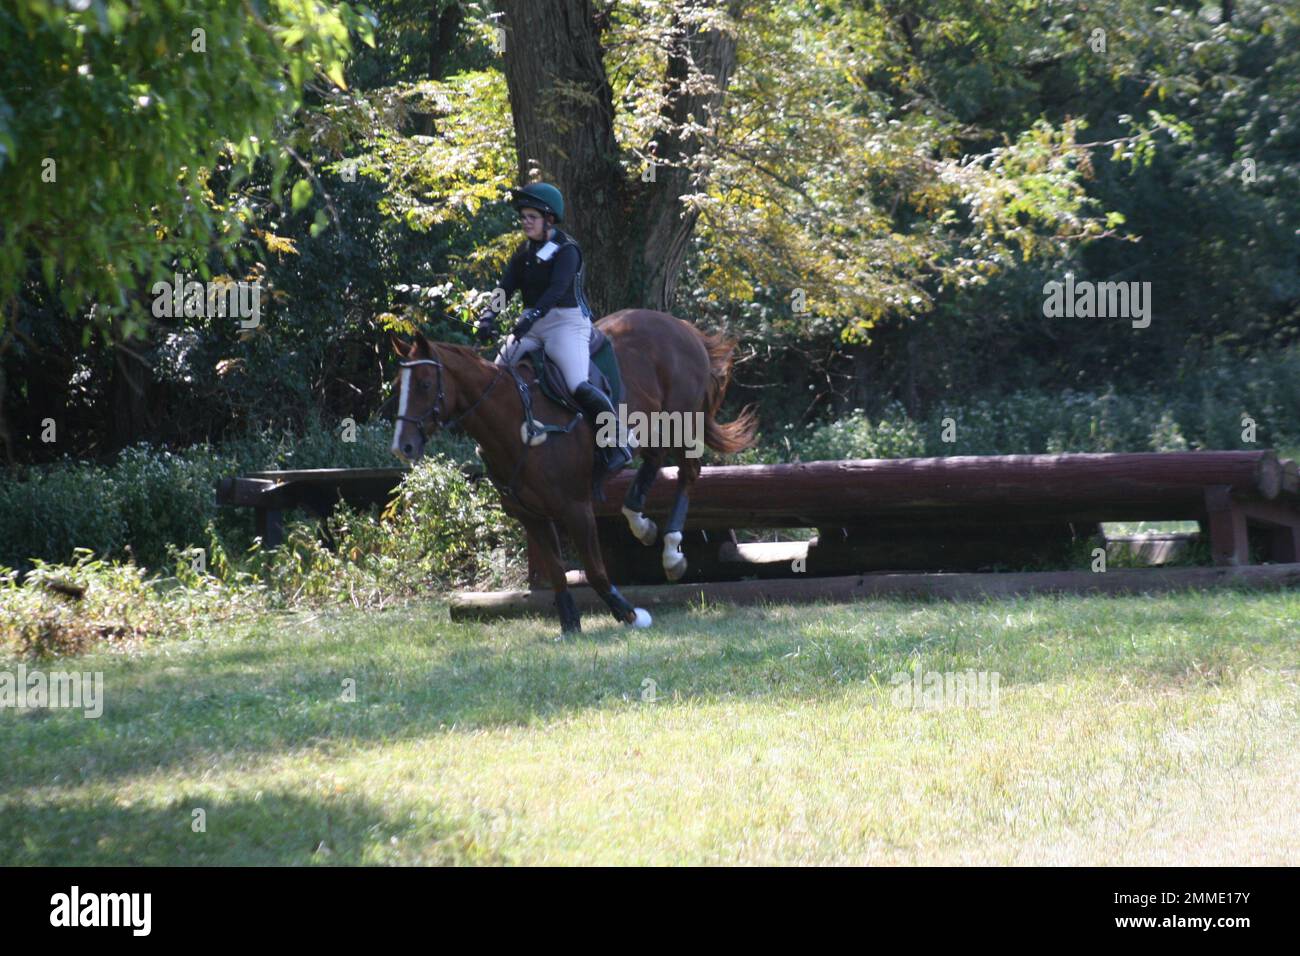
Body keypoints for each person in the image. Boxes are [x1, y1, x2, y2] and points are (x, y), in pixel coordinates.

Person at [475, 182, 632, 474]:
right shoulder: (524, 253)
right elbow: (504, 289)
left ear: (549, 218)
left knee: (576, 383)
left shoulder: (567, 250)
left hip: (565, 324)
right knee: (494, 378)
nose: (525, 222)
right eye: (523, 217)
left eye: (531, 217)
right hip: (532, 325)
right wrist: (488, 316)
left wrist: (530, 315)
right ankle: (495, 446)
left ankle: (617, 439)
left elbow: (558, 289)